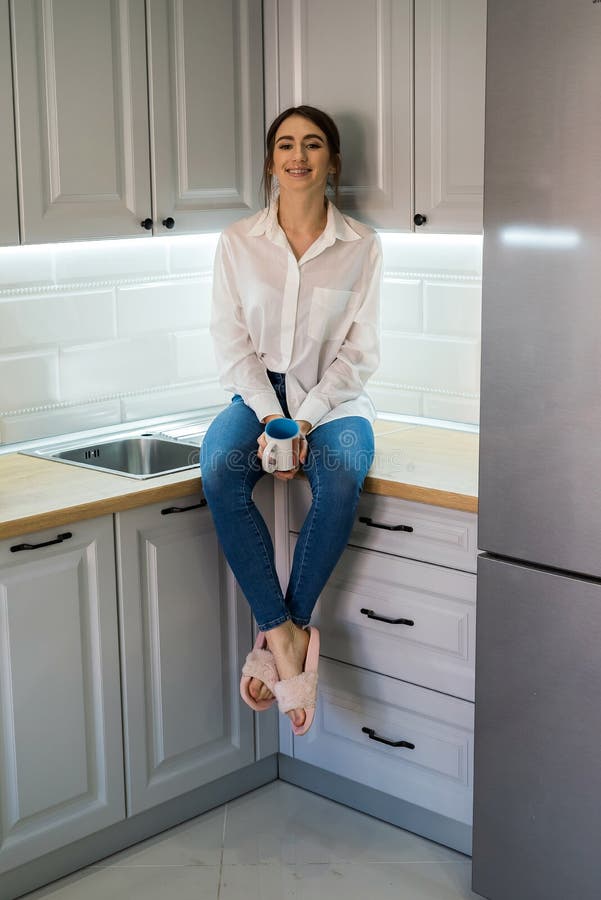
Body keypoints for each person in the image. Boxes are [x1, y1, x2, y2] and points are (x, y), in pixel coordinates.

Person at [200, 105, 381, 736]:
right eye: (285, 145)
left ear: (332, 161)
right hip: (257, 395)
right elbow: (233, 347)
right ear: (270, 161)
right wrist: (275, 419)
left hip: (334, 398)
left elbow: (358, 352)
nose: (297, 156)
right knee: (219, 471)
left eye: (311, 145)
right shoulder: (236, 243)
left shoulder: (362, 245)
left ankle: (288, 633)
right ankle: (283, 635)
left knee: (342, 477)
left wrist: (302, 423)